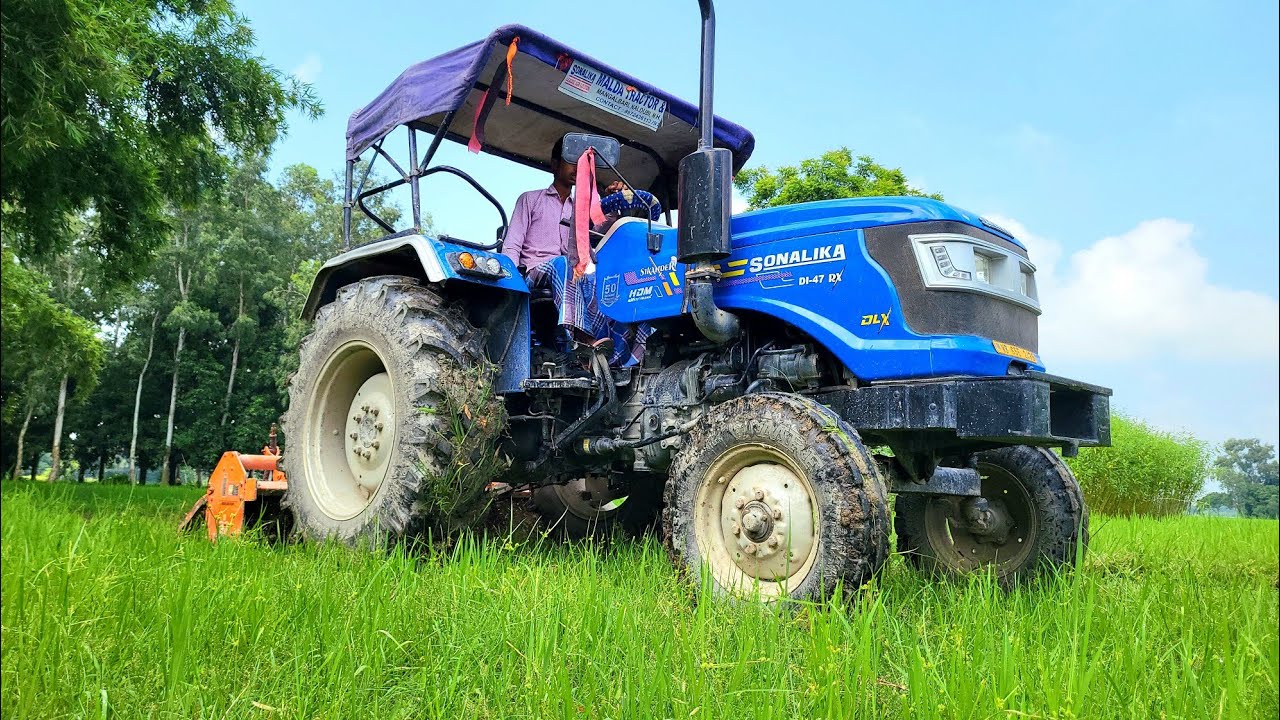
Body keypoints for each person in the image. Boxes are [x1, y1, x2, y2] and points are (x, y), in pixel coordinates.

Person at [501, 138, 652, 368]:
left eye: (580, 164)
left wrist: (613, 202)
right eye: (570, 161)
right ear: (554, 165)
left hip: (573, 275)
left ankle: (622, 359)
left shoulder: (583, 208)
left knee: (613, 280)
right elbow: (511, 246)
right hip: (533, 274)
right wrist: (510, 286)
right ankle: (583, 338)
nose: (575, 169)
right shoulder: (531, 200)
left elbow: (604, 227)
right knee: (564, 264)